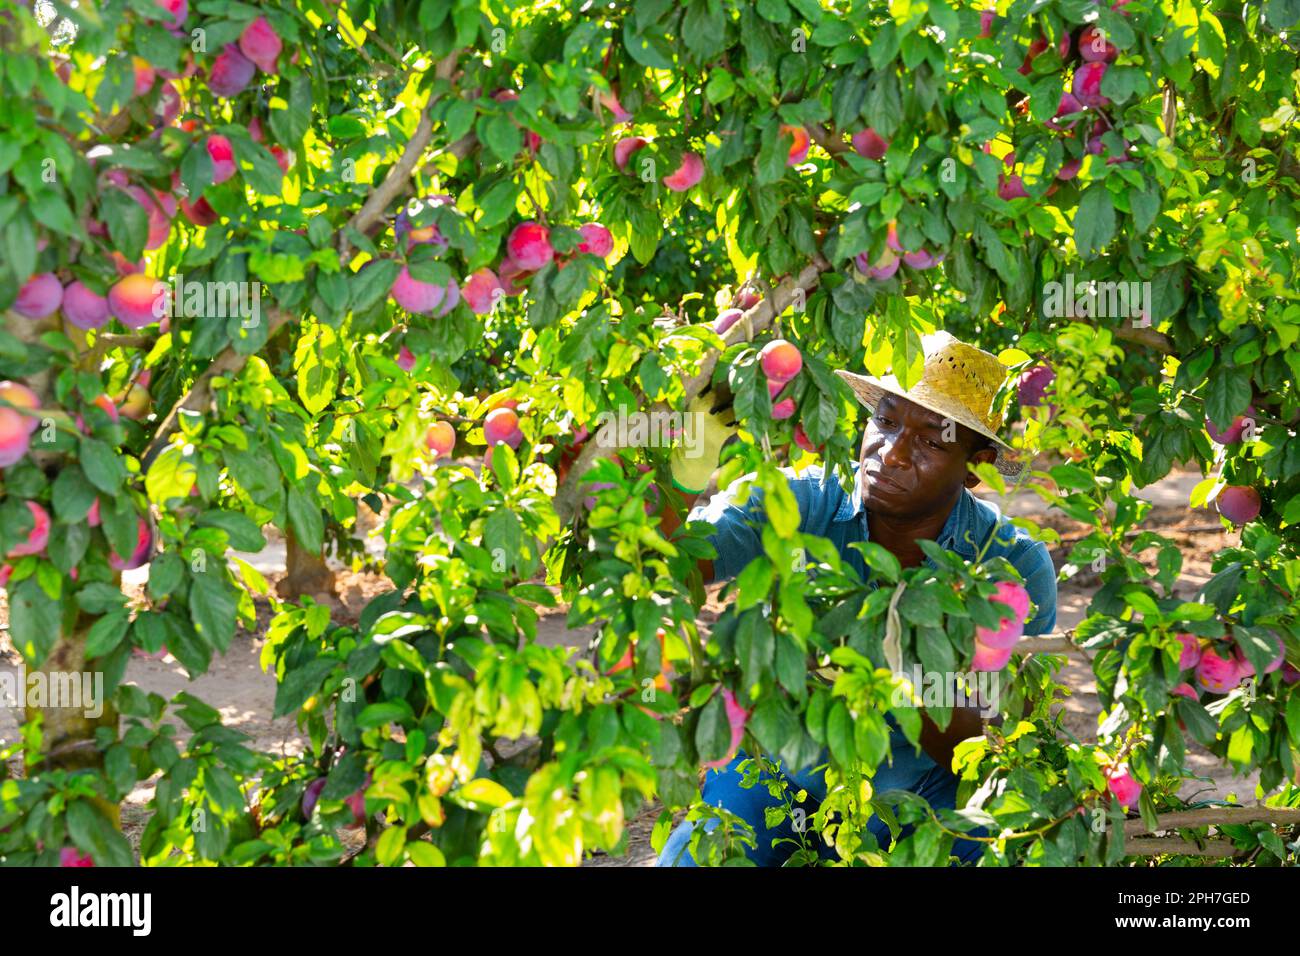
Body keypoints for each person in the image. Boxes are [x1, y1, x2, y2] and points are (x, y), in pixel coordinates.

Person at [654, 331, 1058, 866]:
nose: (891, 455)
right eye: (886, 422)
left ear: (977, 467)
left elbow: (994, 748)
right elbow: (668, 568)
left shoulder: (1010, 566)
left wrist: (896, 654)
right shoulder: (798, 505)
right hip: (780, 774)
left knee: (1004, 838)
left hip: (923, 797)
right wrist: (685, 464)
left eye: (932, 442)